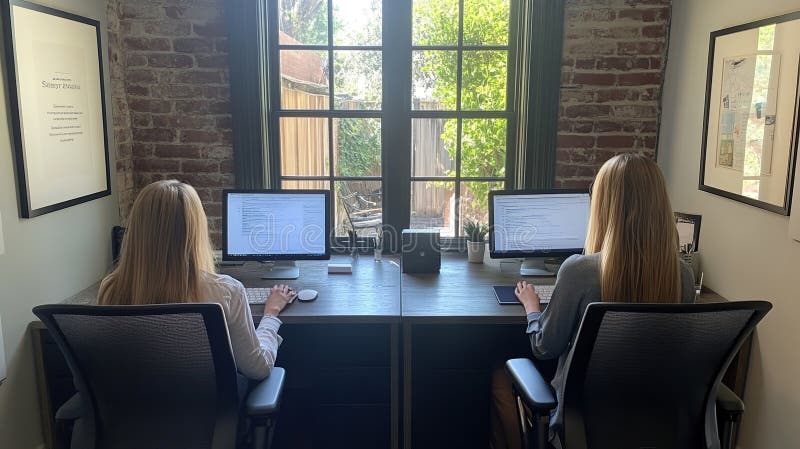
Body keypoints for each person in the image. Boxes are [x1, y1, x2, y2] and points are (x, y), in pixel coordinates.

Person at [490, 154, 696, 449]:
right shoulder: (683, 276)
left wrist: (533, 308)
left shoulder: (581, 271)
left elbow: (544, 347)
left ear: (604, 206)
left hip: (580, 431)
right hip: (657, 430)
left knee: (501, 373)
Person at [98, 180, 293, 380]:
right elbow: (258, 368)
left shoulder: (111, 288)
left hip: (131, 408)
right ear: (195, 230)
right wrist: (271, 315)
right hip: (210, 408)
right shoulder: (226, 291)